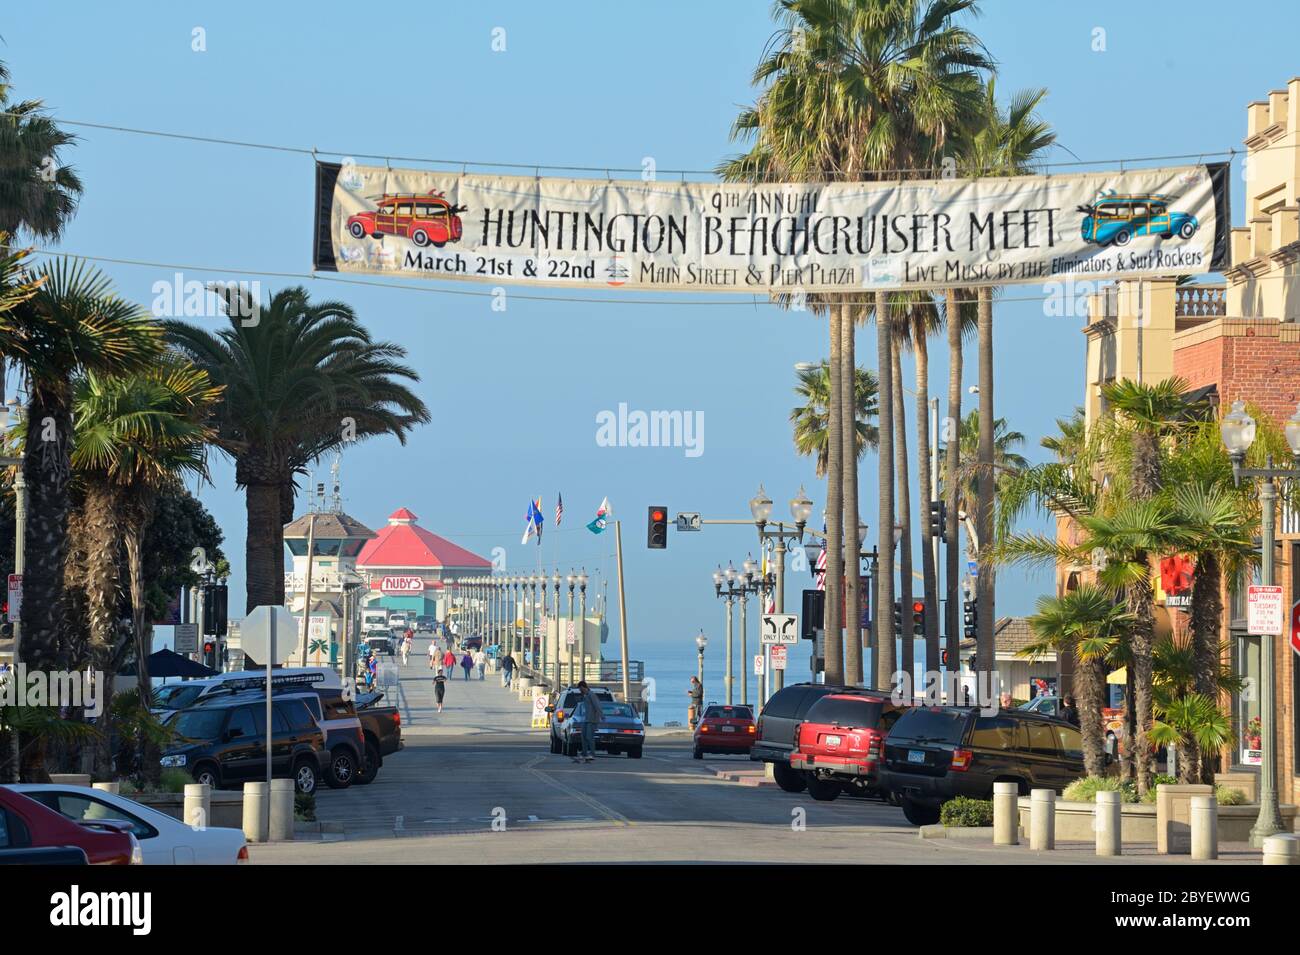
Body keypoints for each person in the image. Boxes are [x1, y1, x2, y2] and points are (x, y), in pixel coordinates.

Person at [572, 681, 604, 764]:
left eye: (580, 689)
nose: (579, 690)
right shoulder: (585, 696)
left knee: (589, 737)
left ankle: (592, 754)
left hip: (592, 720)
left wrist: (601, 715)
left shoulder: (591, 695)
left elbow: (597, 705)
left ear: (583, 687)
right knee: (583, 736)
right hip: (586, 719)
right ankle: (584, 754)